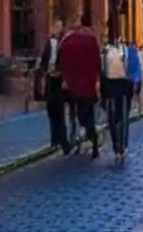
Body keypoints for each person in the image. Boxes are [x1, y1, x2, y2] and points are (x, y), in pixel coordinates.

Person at [59, 14, 102, 160]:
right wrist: (97, 80)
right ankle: (93, 140)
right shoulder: (91, 40)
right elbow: (98, 62)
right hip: (88, 86)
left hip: (72, 86)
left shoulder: (67, 42)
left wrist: (66, 79)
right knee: (88, 114)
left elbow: (62, 64)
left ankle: (78, 138)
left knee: (74, 114)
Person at [101, 38, 134, 162]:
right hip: (122, 89)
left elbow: (103, 77)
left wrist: (103, 98)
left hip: (112, 90)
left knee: (113, 121)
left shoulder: (107, 57)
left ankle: (117, 149)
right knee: (122, 121)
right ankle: (122, 147)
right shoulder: (122, 55)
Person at [38, 21, 69, 152]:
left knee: (60, 111)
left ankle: (63, 141)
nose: (57, 29)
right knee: (51, 110)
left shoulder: (64, 42)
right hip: (50, 79)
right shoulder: (48, 43)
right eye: (55, 26)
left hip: (60, 79)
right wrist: (43, 75)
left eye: (59, 27)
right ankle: (54, 140)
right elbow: (43, 61)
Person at [126, 41, 143, 115]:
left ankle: (134, 109)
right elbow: (141, 66)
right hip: (137, 77)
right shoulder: (137, 54)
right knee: (136, 93)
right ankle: (139, 109)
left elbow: (127, 65)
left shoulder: (129, 54)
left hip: (133, 78)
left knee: (132, 94)